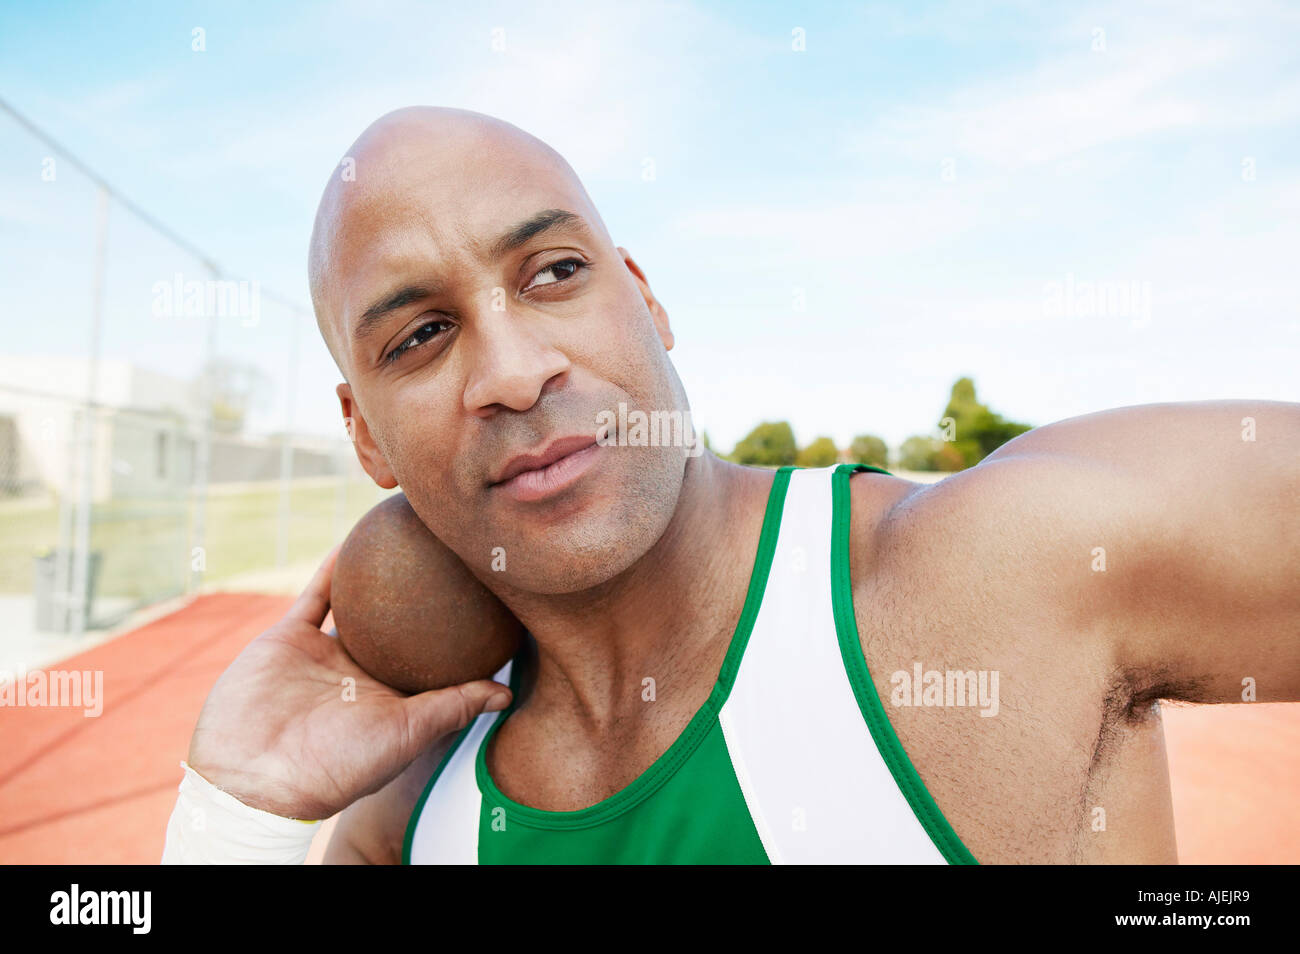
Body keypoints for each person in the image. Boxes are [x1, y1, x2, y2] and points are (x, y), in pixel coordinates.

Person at [167, 106, 1299, 865]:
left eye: (554, 272)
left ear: (645, 300)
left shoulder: (1006, 564)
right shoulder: (410, 811)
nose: (513, 373)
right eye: (420, 336)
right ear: (365, 437)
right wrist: (236, 807)